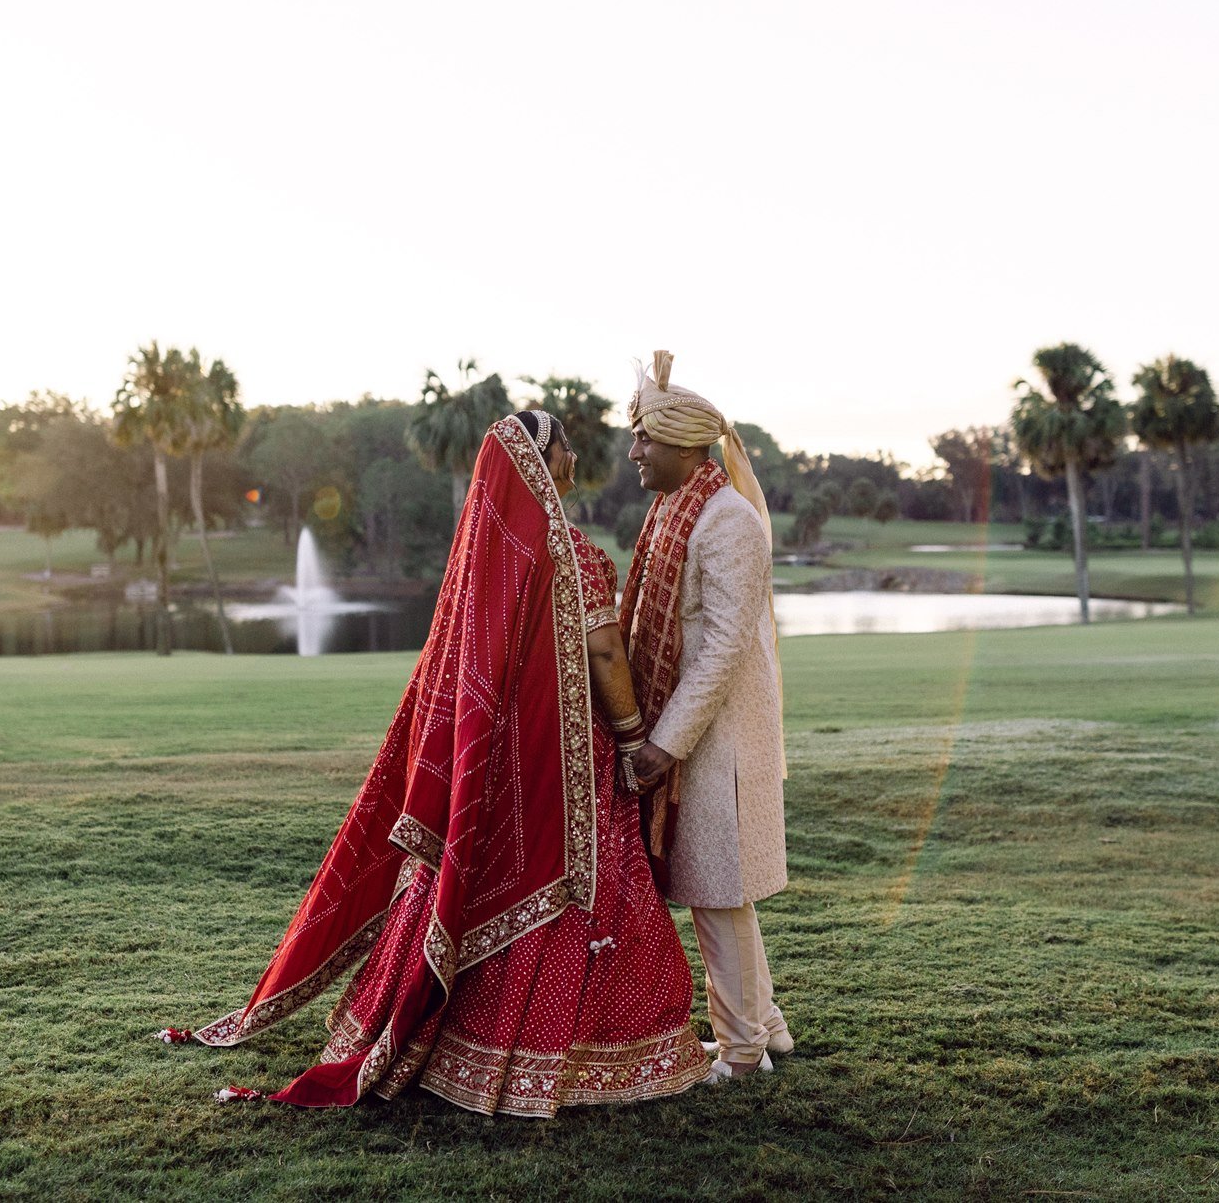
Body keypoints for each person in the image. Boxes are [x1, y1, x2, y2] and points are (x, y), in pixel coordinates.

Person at [179, 410, 710, 1116]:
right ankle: (574, 1054)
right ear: (542, 465)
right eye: (566, 447)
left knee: (463, 881)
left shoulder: (487, 561)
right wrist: (634, 735)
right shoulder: (573, 555)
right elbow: (606, 653)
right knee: (587, 883)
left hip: (489, 772)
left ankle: (458, 1042)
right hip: (565, 767)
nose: (577, 455)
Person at [622, 351, 793, 1083]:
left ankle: (744, 1052)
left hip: (717, 742)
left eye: (644, 438)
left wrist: (665, 741)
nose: (633, 451)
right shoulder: (674, 511)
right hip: (699, 738)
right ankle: (769, 1028)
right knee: (722, 893)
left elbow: (723, 647)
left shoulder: (727, 521)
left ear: (687, 446)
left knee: (720, 895)